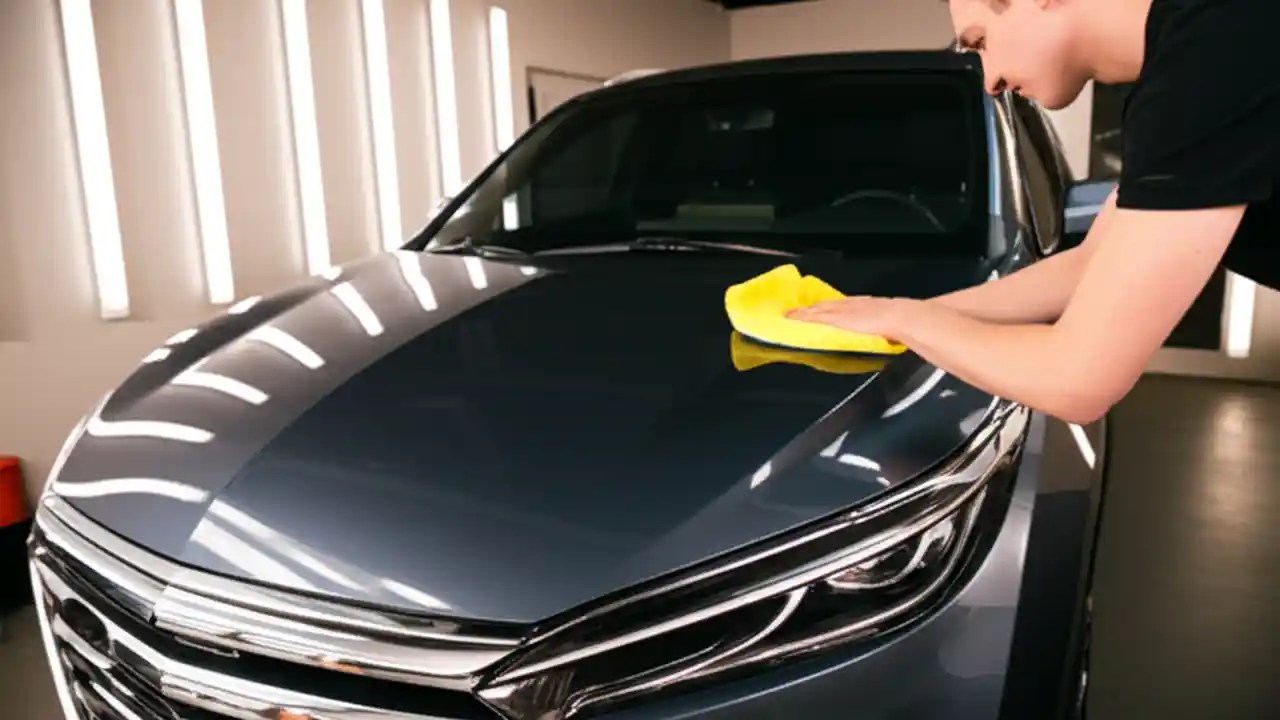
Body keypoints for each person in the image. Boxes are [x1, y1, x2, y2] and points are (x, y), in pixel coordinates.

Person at [788, 0, 1279, 425]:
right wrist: (914, 312)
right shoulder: (1192, 53)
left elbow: (1078, 379)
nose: (990, 81)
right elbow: (1086, 266)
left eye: (980, 42)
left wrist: (905, 320)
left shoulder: (1215, 47)